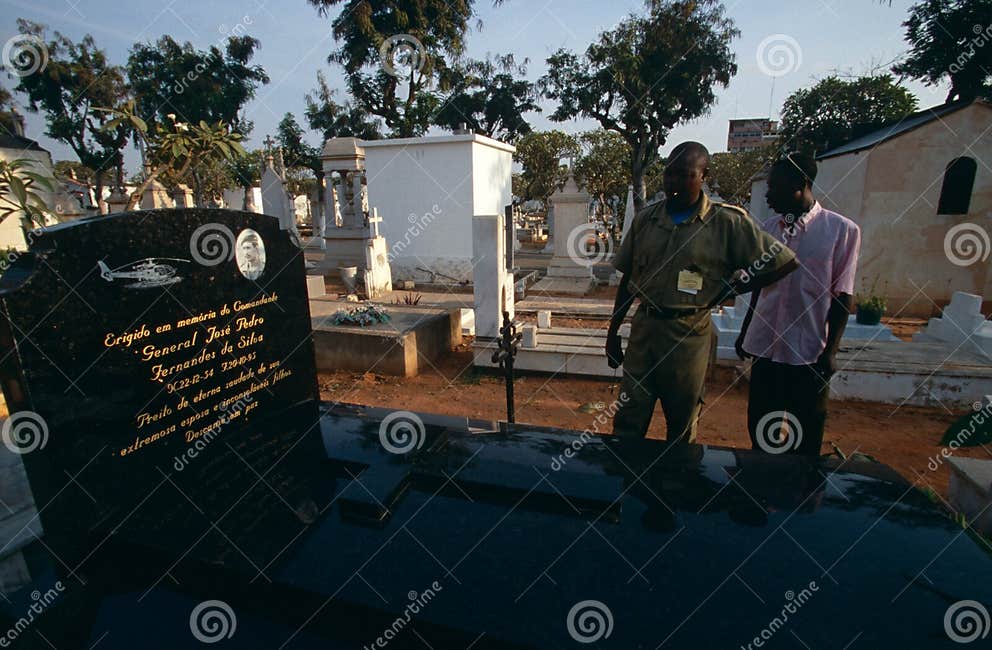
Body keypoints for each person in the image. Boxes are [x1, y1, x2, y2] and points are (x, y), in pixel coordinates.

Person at [606, 142, 798, 445]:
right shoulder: (647, 220)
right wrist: (613, 331)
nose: (675, 183)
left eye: (685, 175)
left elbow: (783, 262)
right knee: (629, 418)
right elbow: (628, 276)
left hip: (689, 336)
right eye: (670, 175)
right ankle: (622, 485)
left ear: (703, 175)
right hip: (645, 332)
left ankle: (675, 487)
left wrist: (733, 289)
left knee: (681, 425)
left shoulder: (727, 223)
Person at [736, 152, 861, 456]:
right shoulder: (768, 230)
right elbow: (759, 287)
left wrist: (830, 352)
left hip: (808, 354)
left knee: (806, 435)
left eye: (774, 188)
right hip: (766, 348)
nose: (768, 195)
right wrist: (745, 332)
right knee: (761, 430)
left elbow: (843, 296)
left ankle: (800, 497)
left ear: (800, 184)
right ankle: (761, 493)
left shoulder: (841, 232)